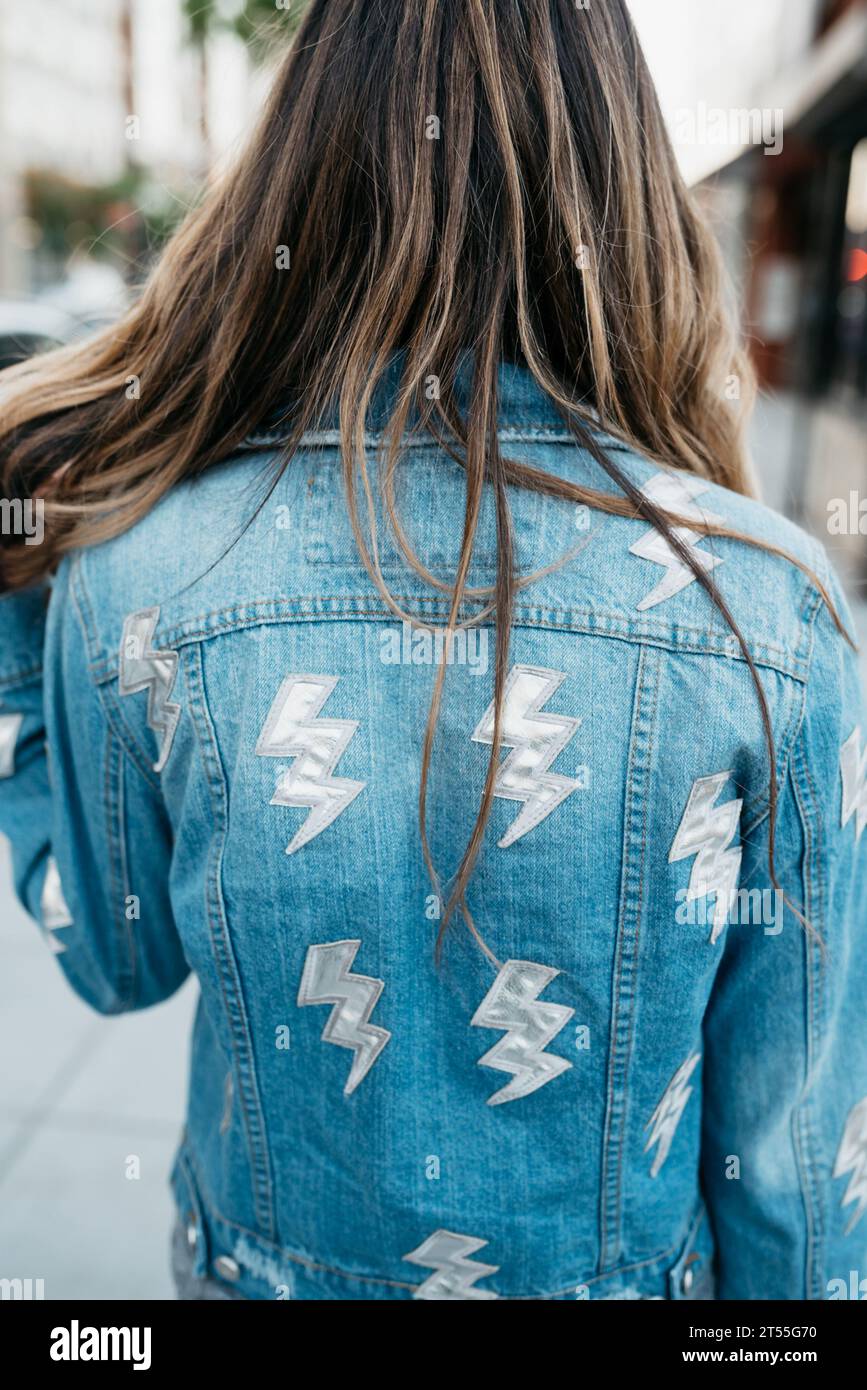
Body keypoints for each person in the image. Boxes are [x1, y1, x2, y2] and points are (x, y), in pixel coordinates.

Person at [0, 0, 864, 1302]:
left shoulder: (143, 576)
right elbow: (798, 1167)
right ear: (621, 194)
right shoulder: (766, 612)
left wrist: (25, 652)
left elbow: (114, 955)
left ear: (296, 183)